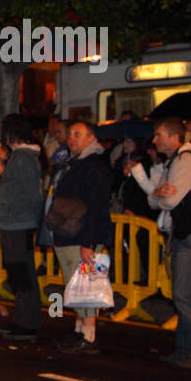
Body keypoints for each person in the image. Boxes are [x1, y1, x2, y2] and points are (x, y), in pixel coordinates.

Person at [132, 117, 191, 370]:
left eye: (159, 135)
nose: (154, 140)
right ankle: (185, 350)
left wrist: (158, 195)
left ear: (173, 136)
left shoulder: (184, 160)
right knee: (183, 294)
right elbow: (154, 198)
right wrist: (158, 194)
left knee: (182, 295)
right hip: (190, 231)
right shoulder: (182, 159)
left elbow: (166, 201)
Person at [47, 121, 115, 355]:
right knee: (73, 285)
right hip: (68, 232)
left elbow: (96, 206)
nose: (72, 138)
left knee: (85, 287)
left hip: (81, 235)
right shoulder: (73, 163)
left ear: (91, 137)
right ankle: (79, 329)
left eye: (78, 134)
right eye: (71, 134)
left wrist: (88, 242)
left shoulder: (95, 165)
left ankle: (88, 333)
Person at [0, 115, 45, 340]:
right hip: (15, 223)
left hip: (18, 224)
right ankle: (22, 319)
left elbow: (27, 193)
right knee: (19, 274)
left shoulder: (23, 157)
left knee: (21, 275)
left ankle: (27, 322)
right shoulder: (23, 157)